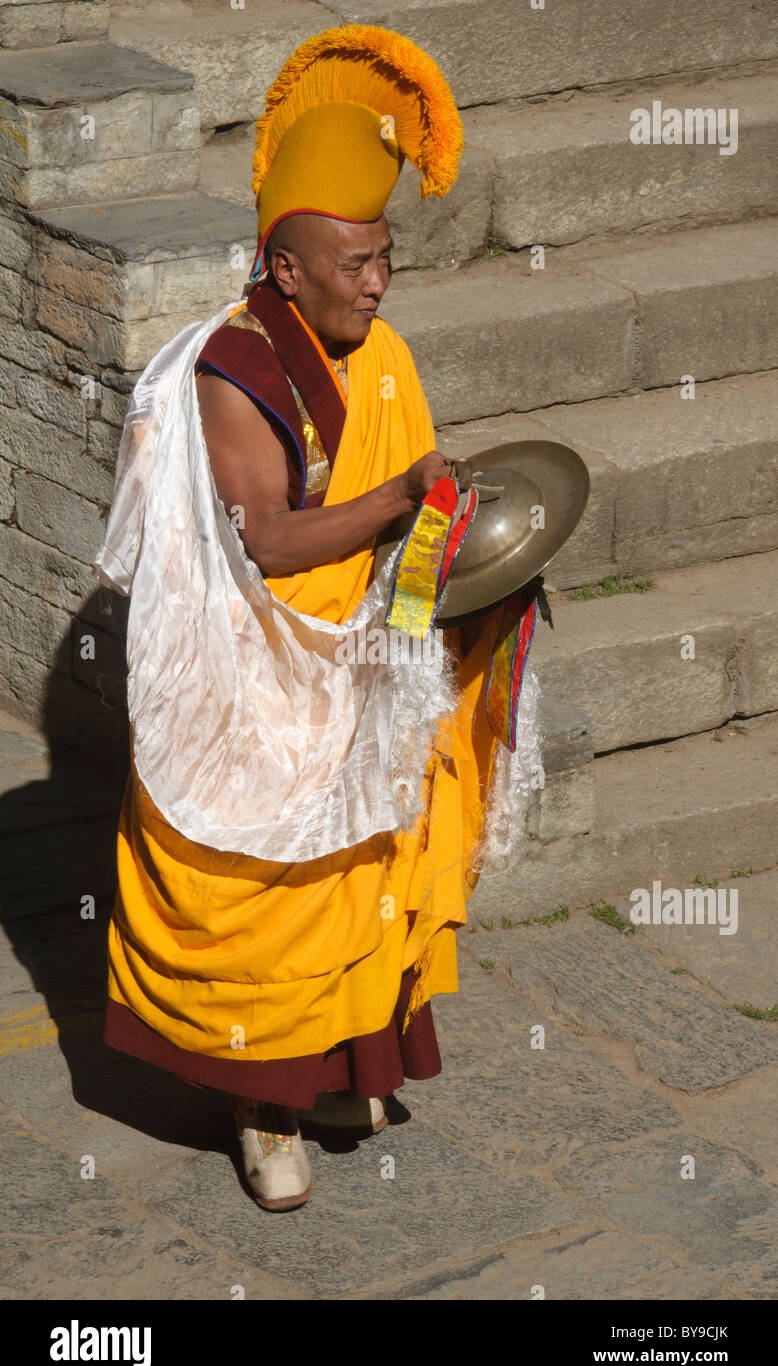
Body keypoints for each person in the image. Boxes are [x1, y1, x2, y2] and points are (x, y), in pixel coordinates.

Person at [92, 24, 541, 1212]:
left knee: (364, 859)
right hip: (257, 684)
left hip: (358, 658)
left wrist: (464, 564)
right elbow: (272, 544)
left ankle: (343, 1068)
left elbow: (404, 526)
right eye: (353, 263)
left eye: (384, 258)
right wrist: (402, 495)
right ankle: (257, 1103)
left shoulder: (379, 355)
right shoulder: (233, 375)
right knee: (273, 884)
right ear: (286, 270)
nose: (377, 282)